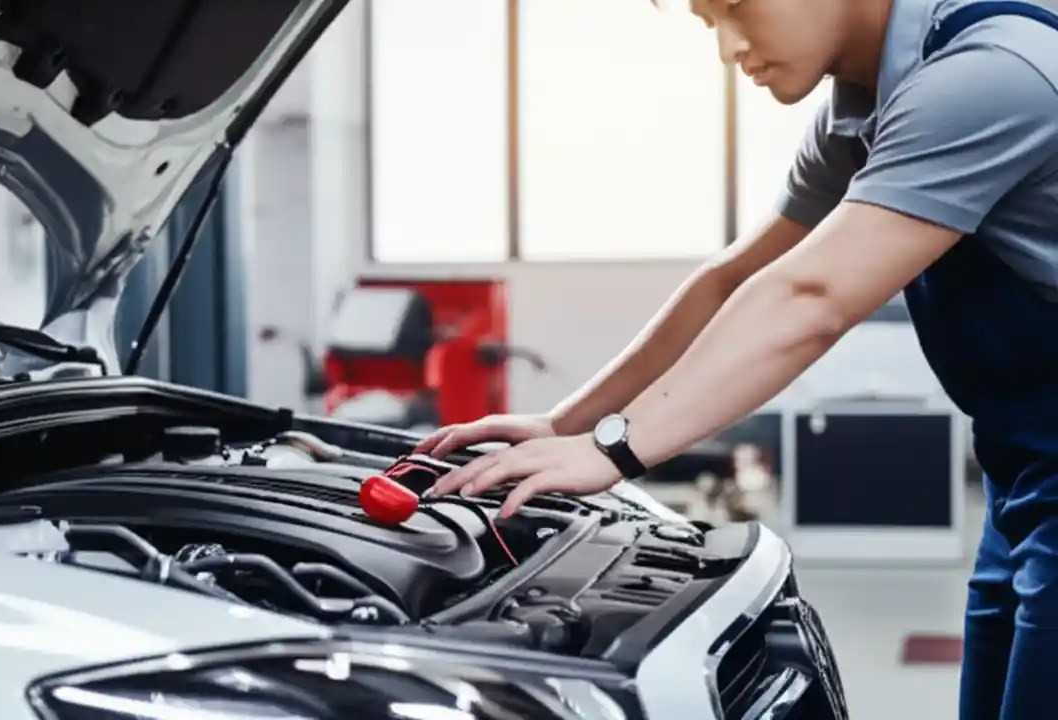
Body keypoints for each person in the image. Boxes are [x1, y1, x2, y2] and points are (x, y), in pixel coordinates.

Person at [417, 0, 1058, 717]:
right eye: (706, 19)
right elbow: (735, 279)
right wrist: (565, 423)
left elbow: (810, 297)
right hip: (1024, 478)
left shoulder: (992, 74)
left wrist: (616, 447)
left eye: (735, 6)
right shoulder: (868, 110)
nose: (728, 46)